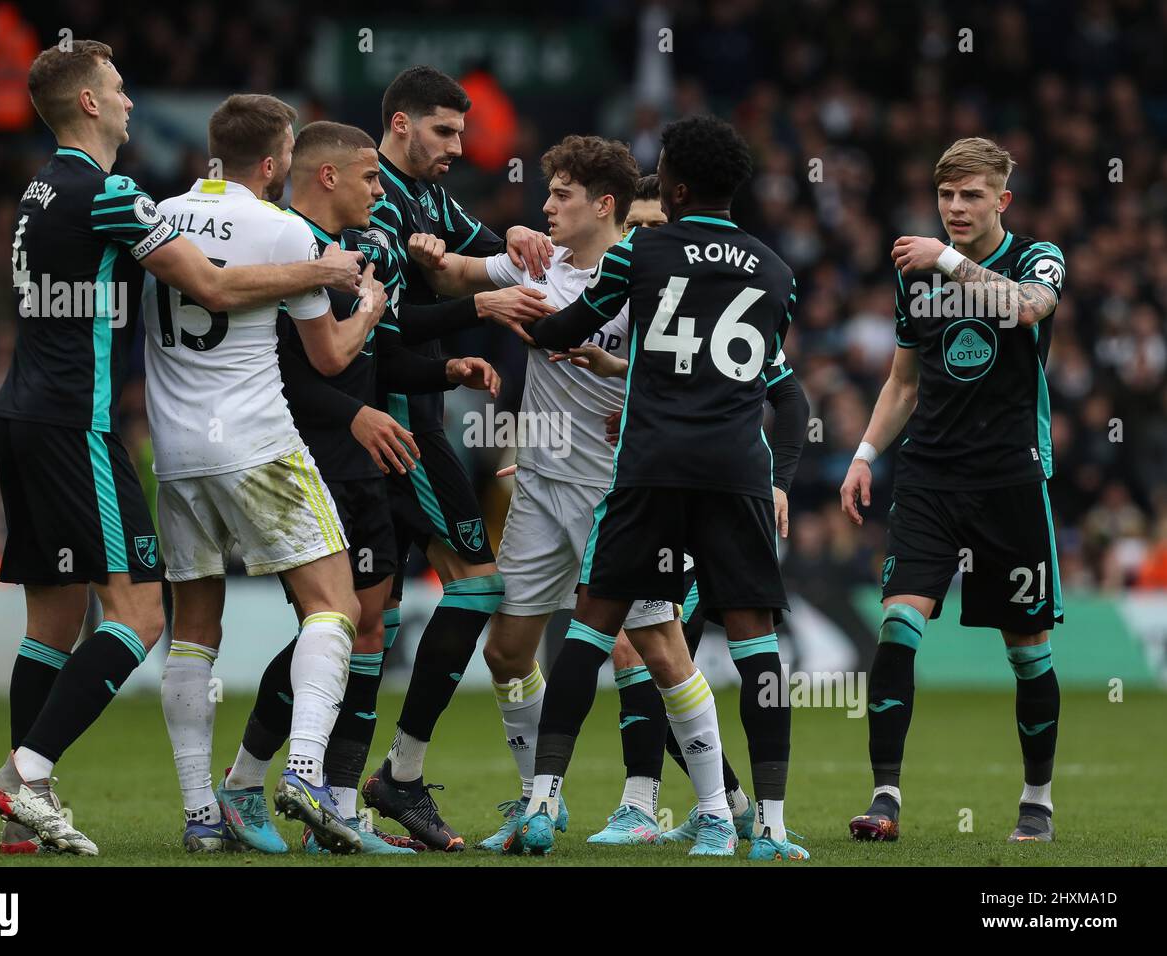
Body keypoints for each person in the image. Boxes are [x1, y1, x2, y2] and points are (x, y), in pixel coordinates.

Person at [0, 41, 364, 856]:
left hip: (19, 417)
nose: (128, 103)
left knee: (51, 623)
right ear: (88, 104)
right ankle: (25, 771)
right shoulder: (109, 191)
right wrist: (319, 269)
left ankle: (31, 810)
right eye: (117, 91)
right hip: (73, 426)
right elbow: (215, 286)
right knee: (139, 615)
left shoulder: (40, 189)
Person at [511, 116, 808, 860]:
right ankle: (766, 827)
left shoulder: (644, 248)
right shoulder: (777, 268)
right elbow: (765, 375)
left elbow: (573, 324)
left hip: (650, 465)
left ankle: (542, 805)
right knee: (755, 644)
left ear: (673, 187)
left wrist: (519, 316)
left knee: (590, 628)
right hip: (737, 471)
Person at [216, 119, 503, 855]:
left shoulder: (347, 258)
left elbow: (366, 364)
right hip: (309, 461)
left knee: (361, 627)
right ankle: (249, 781)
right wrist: (355, 415)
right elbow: (283, 379)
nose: (383, 193)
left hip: (358, 462)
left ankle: (337, 809)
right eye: (372, 179)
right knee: (337, 621)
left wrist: (444, 370)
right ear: (329, 177)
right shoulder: (290, 252)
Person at [148, 95, 392, 855]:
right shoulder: (286, 231)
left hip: (176, 452)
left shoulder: (160, 214)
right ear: (276, 158)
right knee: (336, 604)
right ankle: (308, 772)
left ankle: (199, 815)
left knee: (194, 631)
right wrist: (373, 307)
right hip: (257, 444)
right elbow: (329, 357)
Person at [840, 137, 1066, 844]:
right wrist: (865, 453)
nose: (956, 208)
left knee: (1026, 648)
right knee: (899, 623)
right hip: (930, 476)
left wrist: (946, 259)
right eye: (946, 196)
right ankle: (884, 798)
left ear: (1002, 199)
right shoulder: (917, 275)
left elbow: (1028, 309)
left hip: (1011, 478)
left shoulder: (1036, 257)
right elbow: (903, 382)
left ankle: (1038, 798)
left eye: (971, 195)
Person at [355, 65, 555, 851]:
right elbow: (390, 324)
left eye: (462, 133)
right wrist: (481, 304)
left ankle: (308, 791)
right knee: (475, 589)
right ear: (400, 123)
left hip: (410, 413)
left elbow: (480, 252)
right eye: (444, 131)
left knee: (369, 619)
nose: (458, 147)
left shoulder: (431, 199)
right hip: (402, 425)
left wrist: (513, 244)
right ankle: (398, 775)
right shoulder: (380, 203)